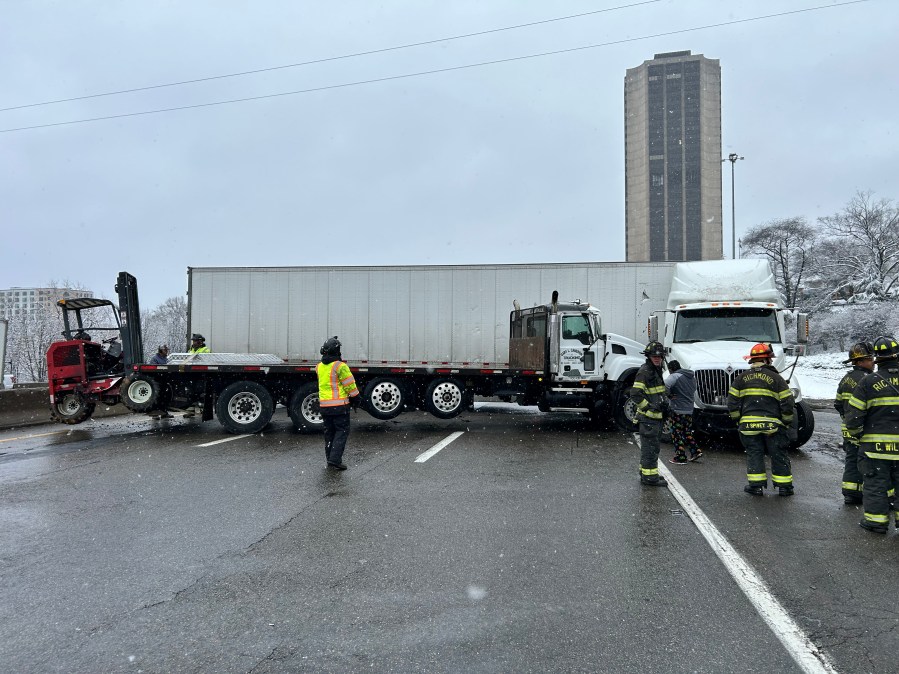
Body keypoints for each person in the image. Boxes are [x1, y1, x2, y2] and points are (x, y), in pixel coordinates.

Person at [845, 336, 899, 534]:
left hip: (875, 448)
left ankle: (876, 522)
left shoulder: (868, 382)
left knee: (875, 483)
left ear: (877, 359)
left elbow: (853, 418)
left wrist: (858, 435)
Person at [727, 343, 795, 496]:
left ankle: (756, 486)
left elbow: (732, 401)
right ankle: (784, 487)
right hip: (772, 425)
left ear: (752, 360)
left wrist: (738, 419)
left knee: (754, 453)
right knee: (778, 453)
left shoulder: (740, 378)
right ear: (768, 360)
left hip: (748, 425)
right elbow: (787, 401)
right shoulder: (776, 378)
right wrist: (786, 420)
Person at [833, 342, 875, 504]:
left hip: (848, 429)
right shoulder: (869, 380)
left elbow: (837, 404)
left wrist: (847, 419)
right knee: (870, 462)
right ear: (858, 362)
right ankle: (881, 496)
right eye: (869, 359)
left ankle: (851, 493)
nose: (873, 362)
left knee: (851, 460)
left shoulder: (845, 379)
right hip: (865, 429)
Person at [316, 336, 360, 470]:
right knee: (341, 431)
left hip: (324, 406)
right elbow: (349, 385)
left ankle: (330, 458)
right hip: (339, 406)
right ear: (337, 351)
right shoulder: (340, 366)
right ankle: (335, 460)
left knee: (329, 433)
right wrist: (356, 398)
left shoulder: (319, 367)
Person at [631, 340, 668, 487]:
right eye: (654, 356)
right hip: (649, 419)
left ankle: (647, 473)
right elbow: (635, 393)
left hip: (654, 419)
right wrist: (649, 407)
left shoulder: (655, 371)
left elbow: (656, 392)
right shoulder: (646, 371)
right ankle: (649, 478)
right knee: (650, 449)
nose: (657, 358)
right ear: (649, 356)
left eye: (659, 356)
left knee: (651, 448)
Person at [665, 360, 702, 464]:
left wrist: (669, 395)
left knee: (676, 433)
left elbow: (665, 386)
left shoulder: (674, 376)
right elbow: (693, 389)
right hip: (689, 410)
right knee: (687, 432)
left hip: (677, 409)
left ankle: (680, 457)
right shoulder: (691, 377)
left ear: (670, 369)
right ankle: (695, 451)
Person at [148, 345, 173, 419]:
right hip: (157, 381)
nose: (167, 352)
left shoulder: (166, 359)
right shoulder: (155, 359)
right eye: (165, 350)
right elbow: (153, 370)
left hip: (165, 380)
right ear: (161, 351)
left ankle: (164, 412)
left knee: (165, 397)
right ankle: (154, 414)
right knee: (156, 397)